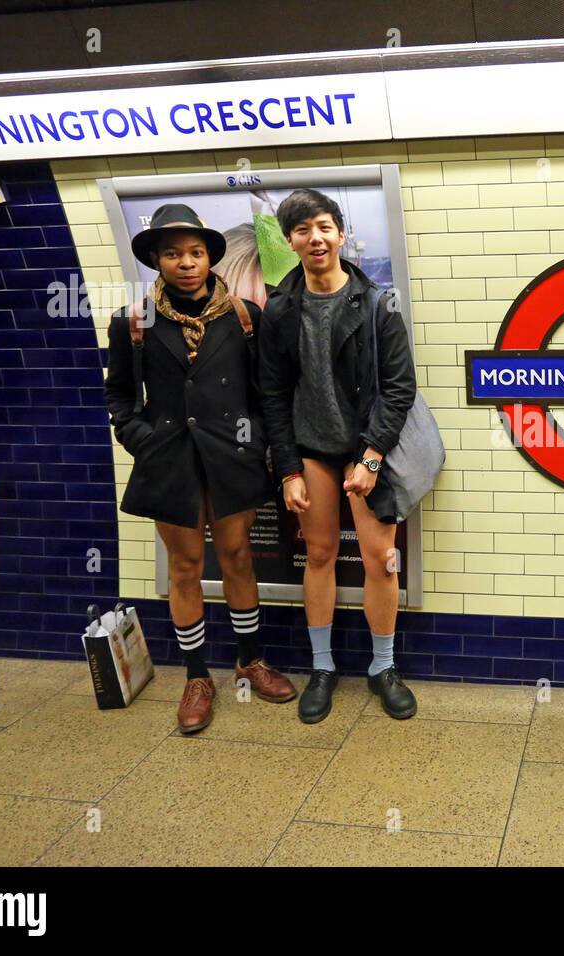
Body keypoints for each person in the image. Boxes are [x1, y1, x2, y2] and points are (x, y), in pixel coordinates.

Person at [105, 203, 296, 734]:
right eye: (172, 254)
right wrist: (140, 439)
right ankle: (196, 676)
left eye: (195, 252)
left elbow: (265, 395)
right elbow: (119, 395)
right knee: (186, 568)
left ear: (210, 256)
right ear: (157, 261)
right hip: (170, 463)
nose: (185, 262)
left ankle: (250, 660)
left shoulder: (243, 317)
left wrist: (255, 442)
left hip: (231, 461)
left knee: (237, 557)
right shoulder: (133, 322)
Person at [259, 188, 419, 724]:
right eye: (303, 230)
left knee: (379, 560)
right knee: (320, 555)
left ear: (341, 232)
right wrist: (286, 469)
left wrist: (371, 457)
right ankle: (323, 667)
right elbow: (273, 395)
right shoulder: (279, 309)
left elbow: (399, 389)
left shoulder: (378, 303)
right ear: (290, 242)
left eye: (324, 226)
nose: (315, 238)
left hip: (367, 449)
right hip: (311, 451)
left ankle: (382, 668)